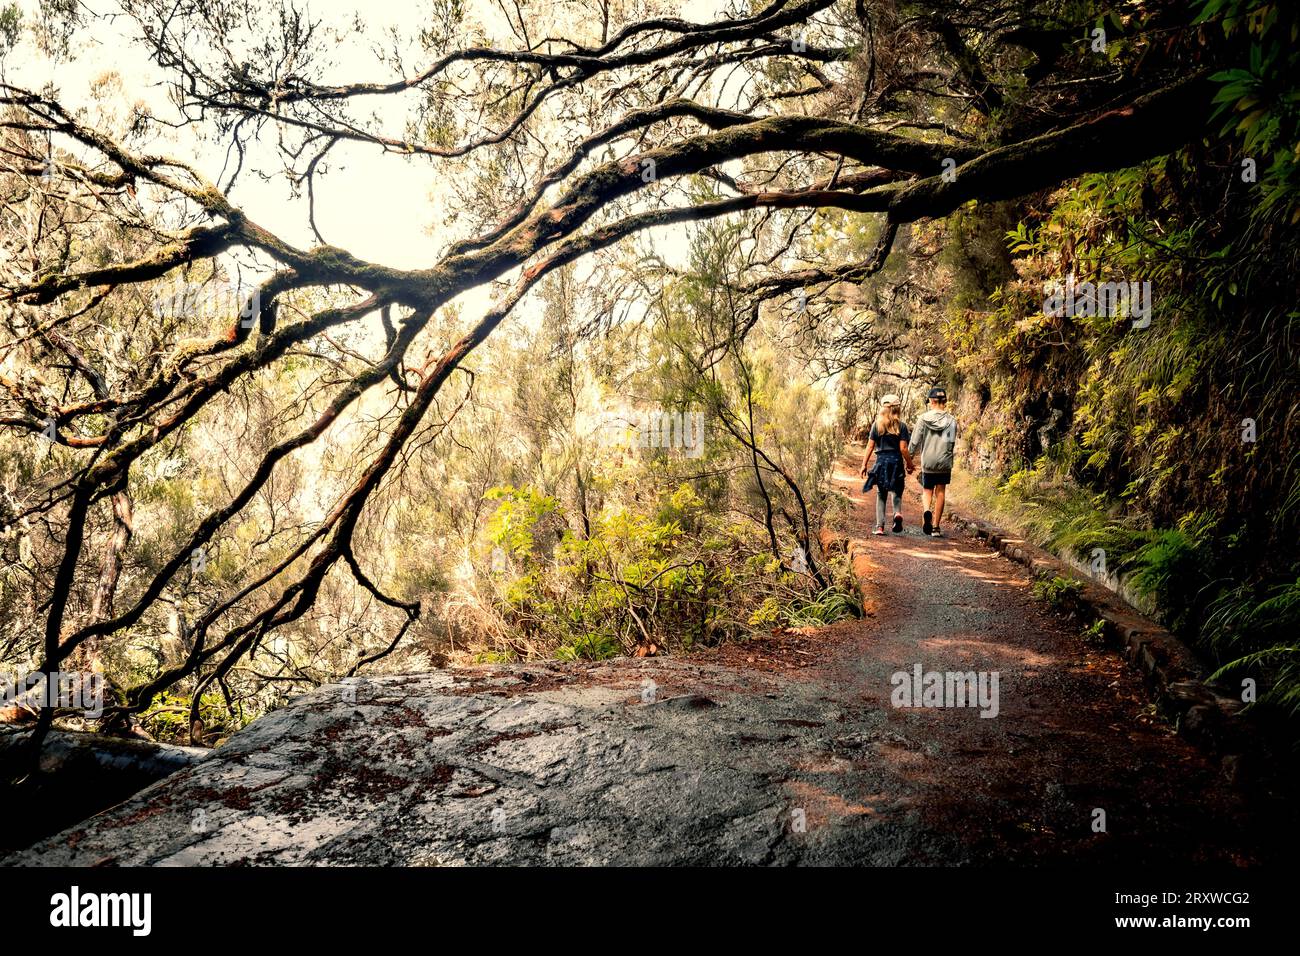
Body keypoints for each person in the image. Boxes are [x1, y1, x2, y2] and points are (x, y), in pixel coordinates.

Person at [858, 394, 915, 535]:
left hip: (881, 462)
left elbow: (870, 446)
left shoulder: (876, 426)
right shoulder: (901, 426)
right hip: (896, 462)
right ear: (897, 409)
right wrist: (910, 464)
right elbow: (903, 448)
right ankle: (897, 514)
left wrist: (864, 465)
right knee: (896, 490)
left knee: (881, 493)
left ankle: (879, 527)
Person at [910, 386, 957, 537]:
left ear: (931, 401)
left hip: (928, 461)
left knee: (927, 490)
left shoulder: (923, 419)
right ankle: (936, 527)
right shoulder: (951, 421)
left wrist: (909, 458)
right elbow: (950, 442)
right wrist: (947, 459)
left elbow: (915, 441)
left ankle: (926, 512)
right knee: (941, 491)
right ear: (945, 401)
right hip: (944, 461)